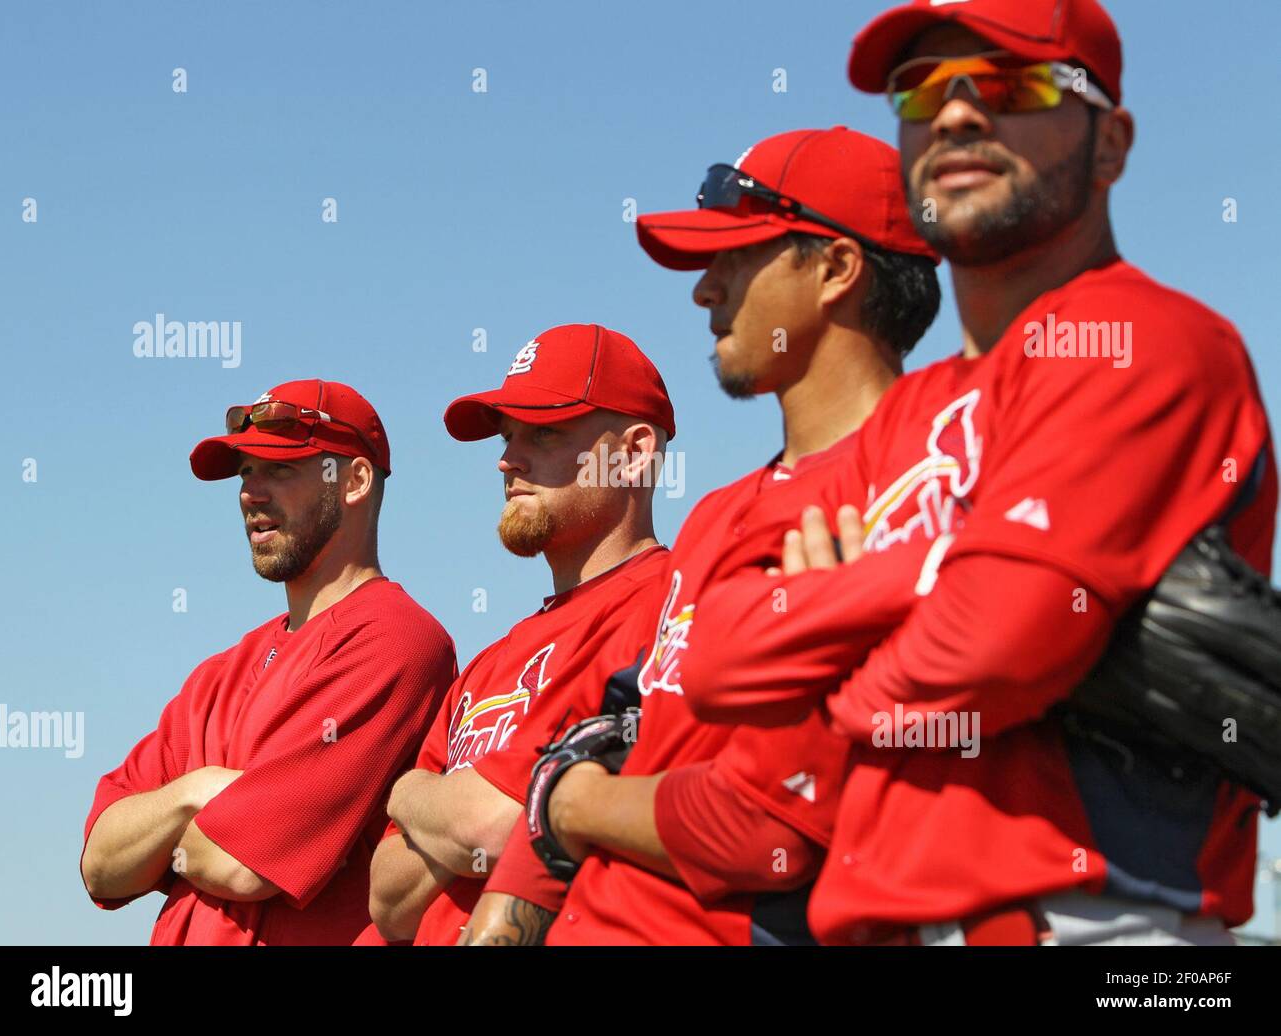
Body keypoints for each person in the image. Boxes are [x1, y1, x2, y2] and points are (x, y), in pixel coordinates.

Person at [683, 0, 1278, 946]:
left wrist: (840, 632)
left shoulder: (1146, 340)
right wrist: (952, 566)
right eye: (919, 89)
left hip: (1100, 929)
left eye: (1013, 83)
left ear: (1112, 143)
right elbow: (716, 658)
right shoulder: (906, 414)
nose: (955, 113)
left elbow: (991, 648)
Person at [463, 127, 941, 945]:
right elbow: (630, 740)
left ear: (834, 269)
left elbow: (774, 831)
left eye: (736, 257)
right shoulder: (720, 514)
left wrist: (570, 800)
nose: (704, 292)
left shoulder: (910, 488)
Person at [80, 380, 457, 945]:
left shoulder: (394, 637)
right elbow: (101, 863)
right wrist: (199, 790)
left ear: (353, 481)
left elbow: (242, 863)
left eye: (280, 471)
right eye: (245, 473)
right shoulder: (219, 673)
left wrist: (164, 842)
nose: (250, 494)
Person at [359, 323, 675, 944]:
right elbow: (387, 899)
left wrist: (414, 793)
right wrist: (436, 798)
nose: (508, 459)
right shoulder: (486, 664)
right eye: (507, 437)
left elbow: (494, 820)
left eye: (546, 431)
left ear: (634, 451)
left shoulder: (674, 604)